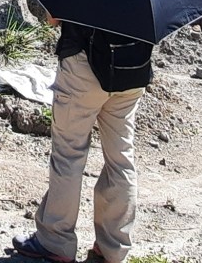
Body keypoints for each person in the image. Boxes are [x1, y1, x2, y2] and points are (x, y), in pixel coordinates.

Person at [12, 16, 154, 263]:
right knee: (121, 159)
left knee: (68, 155)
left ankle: (55, 242)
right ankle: (113, 249)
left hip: (84, 67)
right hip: (132, 69)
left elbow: (52, 19)